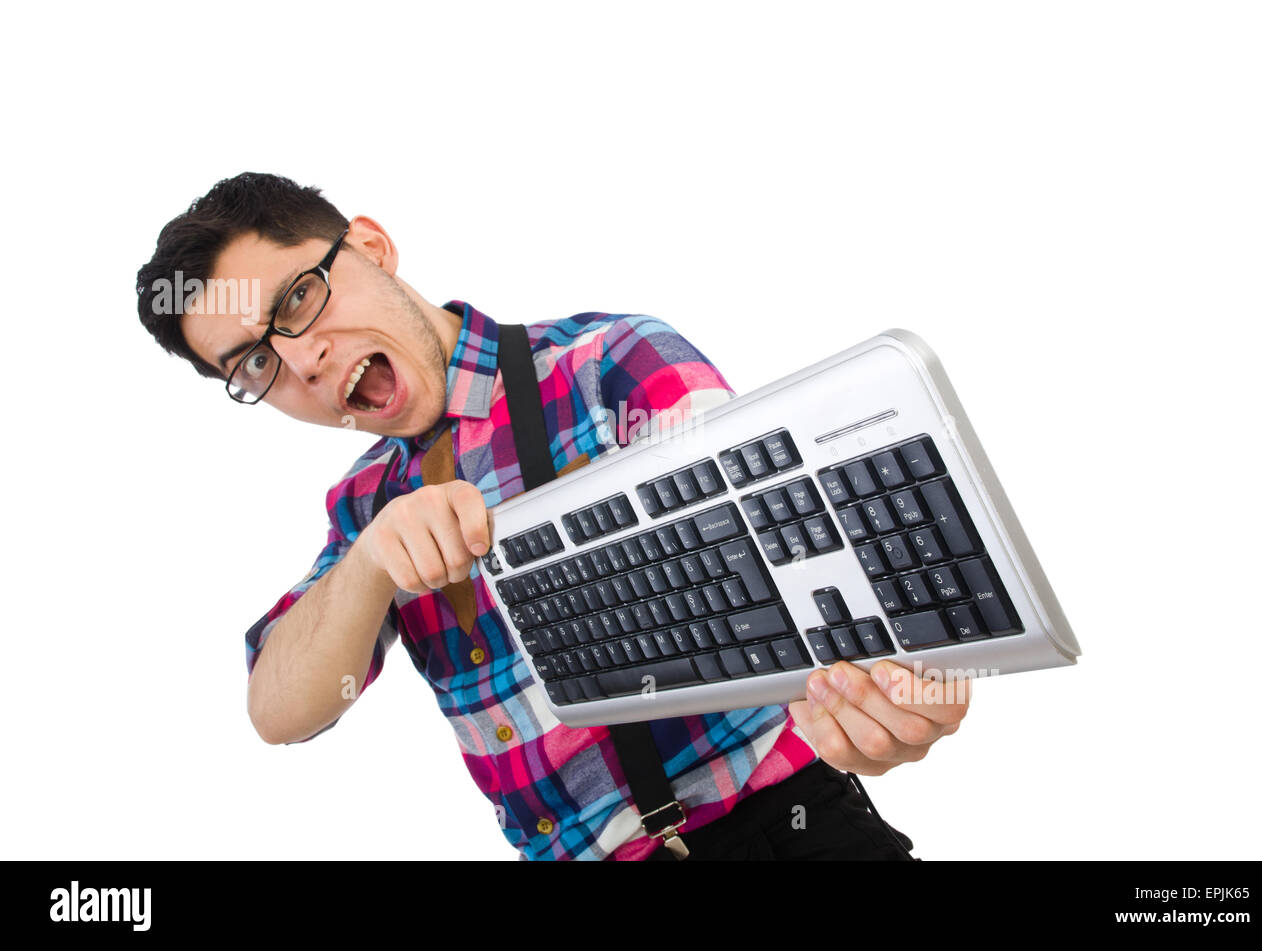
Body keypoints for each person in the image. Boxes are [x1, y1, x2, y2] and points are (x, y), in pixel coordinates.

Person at [135, 172, 971, 861]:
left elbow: (805, 559)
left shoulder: (608, 365)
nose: (303, 361)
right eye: (253, 360)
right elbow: (280, 709)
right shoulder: (362, 505)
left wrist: (889, 695)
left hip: (781, 836)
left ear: (371, 248)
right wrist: (367, 564)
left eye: (297, 303)